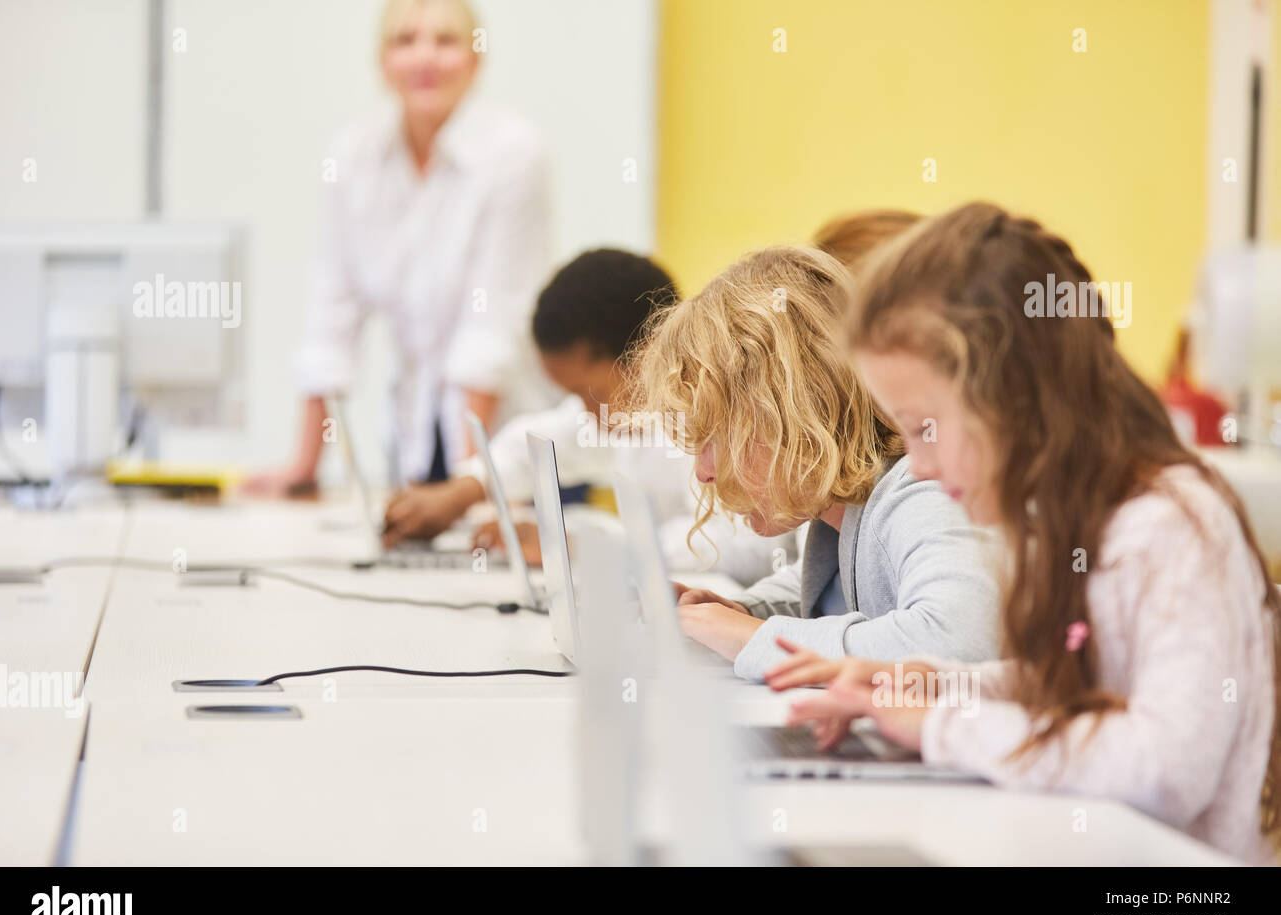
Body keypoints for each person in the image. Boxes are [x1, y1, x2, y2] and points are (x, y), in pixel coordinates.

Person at [774, 201, 1280, 863]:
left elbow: (1165, 768)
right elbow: (1073, 692)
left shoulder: (1169, 528)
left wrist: (945, 726)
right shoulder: (1072, 520)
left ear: (1017, 398)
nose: (917, 468)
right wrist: (930, 682)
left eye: (926, 428)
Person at [629, 235, 1000, 679]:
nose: (705, 473)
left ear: (793, 414)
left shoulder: (923, 490)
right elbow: (835, 594)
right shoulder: (849, 512)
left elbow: (962, 640)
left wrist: (750, 637)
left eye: (717, 438)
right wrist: (741, 612)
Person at [246, 0, 556, 496]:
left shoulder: (515, 153)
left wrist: (466, 492)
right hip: (415, 432)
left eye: (447, 41)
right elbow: (332, 313)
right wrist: (303, 466)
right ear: (382, 61)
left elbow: (490, 328)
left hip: (509, 444)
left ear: (476, 59)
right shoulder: (353, 158)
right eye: (405, 40)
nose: (425, 58)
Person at [383, 248, 790, 585]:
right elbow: (541, 441)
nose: (587, 415)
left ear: (648, 354)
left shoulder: (721, 419)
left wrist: (582, 546)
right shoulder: (624, 416)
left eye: (588, 394)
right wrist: (464, 491)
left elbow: (747, 548)